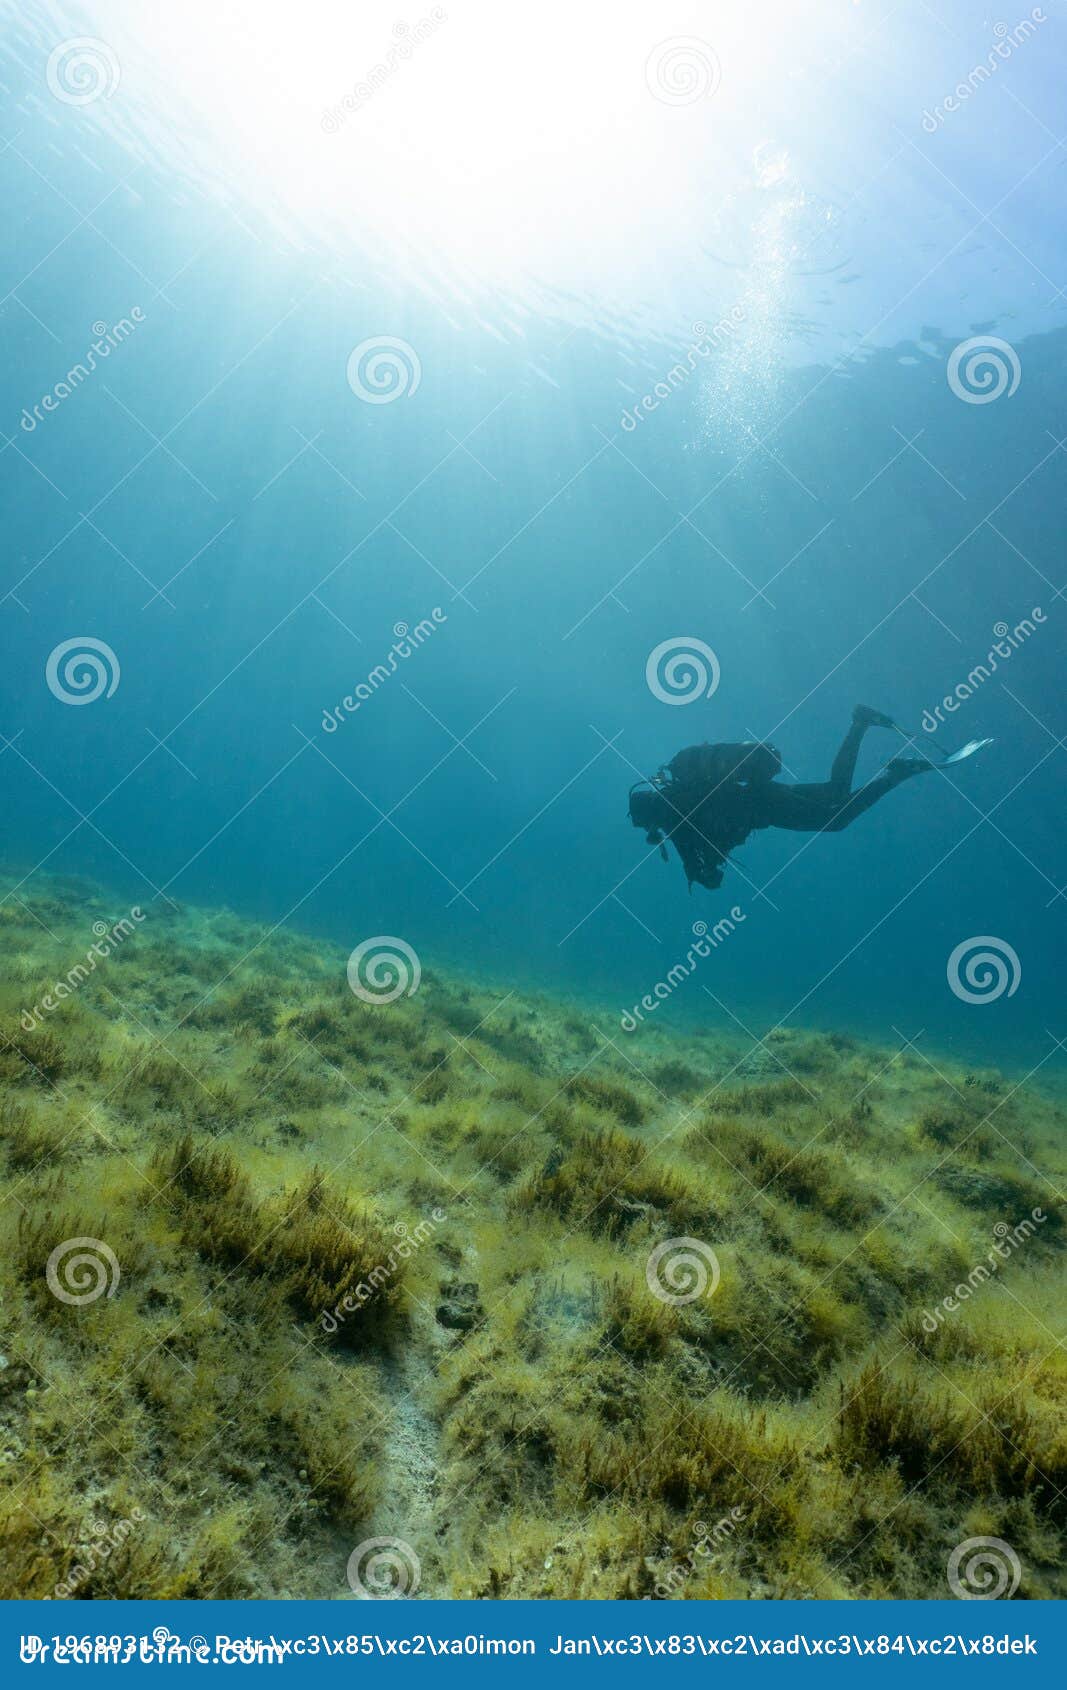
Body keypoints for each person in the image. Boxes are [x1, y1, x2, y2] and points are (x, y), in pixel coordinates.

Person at [628, 706, 939, 892]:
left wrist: (701, 873)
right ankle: (860, 723)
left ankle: (894, 773)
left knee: (836, 819)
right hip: (760, 793)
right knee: (835, 791)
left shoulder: (675, 821)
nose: (650, 831)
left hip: (764, 806)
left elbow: (701, 869)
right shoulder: (679, 801)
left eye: (645, 825)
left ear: (649, 816)